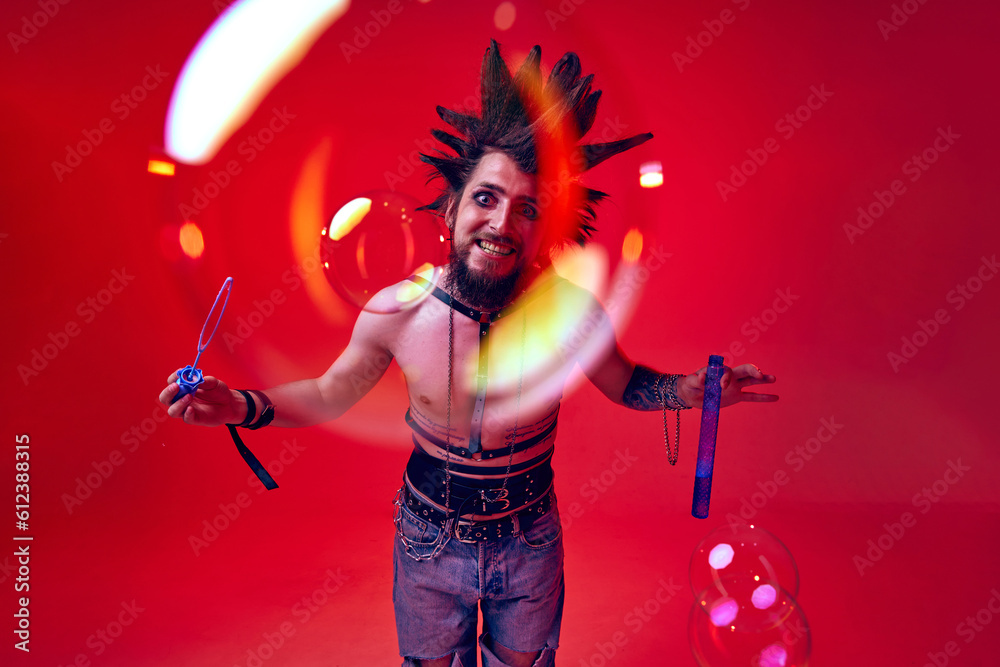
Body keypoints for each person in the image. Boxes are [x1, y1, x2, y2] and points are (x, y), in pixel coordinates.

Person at [159, 41, 778, 667]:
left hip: (530, 540)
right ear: (453, 206)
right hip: (427, 539)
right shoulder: (398, 311)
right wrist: (240, 406)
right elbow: (328, 392)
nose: (502, 224)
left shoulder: (570, 314)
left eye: (528, 208)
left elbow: (625, 384)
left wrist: (688, 391)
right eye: (486, 198)